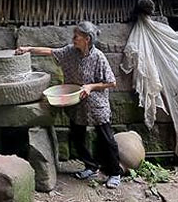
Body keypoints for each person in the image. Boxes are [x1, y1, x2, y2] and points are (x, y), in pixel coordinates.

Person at [16, 21, 123, 189]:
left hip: (96, 104)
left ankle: (115, 173)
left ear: (87, 39)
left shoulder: (98, 57)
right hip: (77, 103)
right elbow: (50, 51)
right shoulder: (69, 52)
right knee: (77, 136)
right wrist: (29, 49)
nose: (73, 39)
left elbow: (111, 82)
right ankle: (90, 167)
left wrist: (91, 86)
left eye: (76, 36)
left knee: (106, 139)